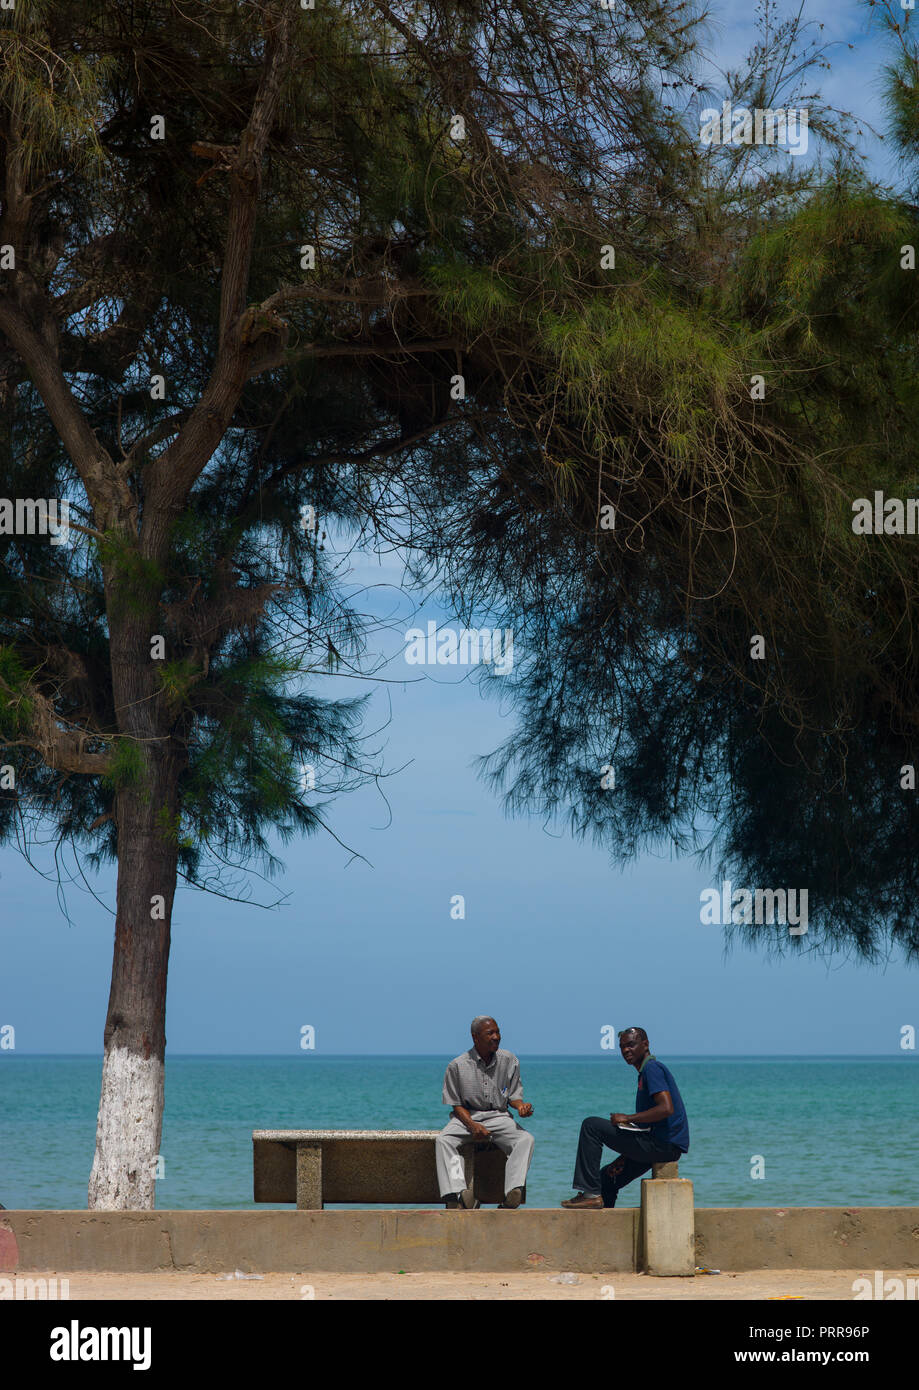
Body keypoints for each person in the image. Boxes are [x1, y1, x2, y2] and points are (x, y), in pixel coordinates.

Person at [561, 1026, 689, 1209]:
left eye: (631, 1045)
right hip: (657, 1145)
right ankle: (604, 1228)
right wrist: (632, 1122)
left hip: (661, 1145)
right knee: (607, 1178)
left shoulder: (652, 1068)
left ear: (645, 1045)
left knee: (591, 1126)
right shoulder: (645, 1072)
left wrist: (627, 1117)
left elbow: (666, 1108)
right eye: (622, 1047)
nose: (625, 1050)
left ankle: (589, 1194)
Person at [436, 1016, 535, 1209]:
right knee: (444, 1140)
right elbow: (455, 1104)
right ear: (475, 1038)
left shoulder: (510, 1060)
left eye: (498, 1032)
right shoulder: (457, 1065)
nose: (496, 1037)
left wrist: (521, 1106)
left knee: (526, 1140)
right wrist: (473, 1126)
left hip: (499, 1116)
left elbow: (513, 1096)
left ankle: (513, 1192)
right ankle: (458, 1193)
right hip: (467, 1116)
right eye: (490, 1033)